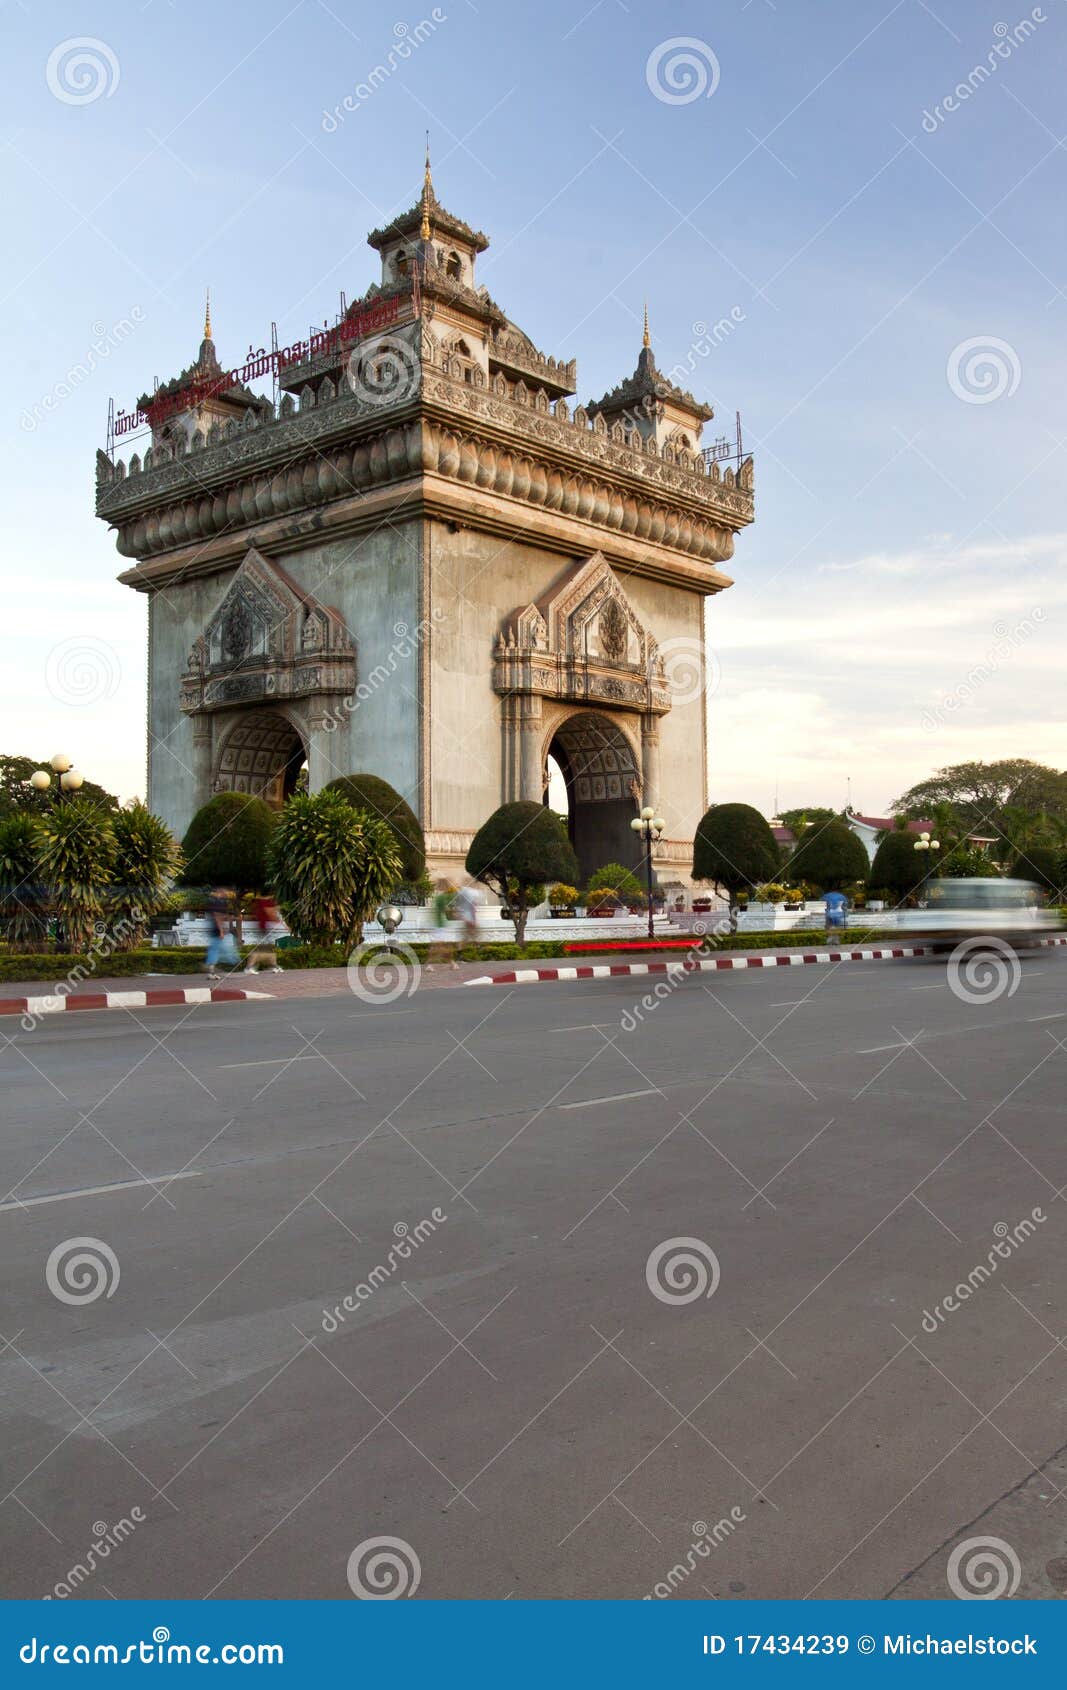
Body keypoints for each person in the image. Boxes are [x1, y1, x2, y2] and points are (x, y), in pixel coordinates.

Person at [243, 893, 284, 974]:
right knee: (262, 950)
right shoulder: (266, 902)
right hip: (263, 928)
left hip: (263, 927)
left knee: (268, 949)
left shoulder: (260, 901)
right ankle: (249, 967)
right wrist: (281, 923)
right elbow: (270, 914)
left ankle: (274, 966)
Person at [203, 887, 237, 976]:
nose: (227, 893)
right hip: (216, 930)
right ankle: (211, 969)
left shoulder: (216, 902)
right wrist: (221, 931)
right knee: (219, 951)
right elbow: (218, 917)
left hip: (215, 929)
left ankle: (211, 970)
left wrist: (229, 919)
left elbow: (221, 916)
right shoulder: (218, 902)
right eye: (225, 891)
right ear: (220, 891)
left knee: (215, 950)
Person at [426, 878, 455, 969]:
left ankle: (451, 963)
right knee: (441, 946)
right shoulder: (441, 897)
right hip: (440, 924)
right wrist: (451, 910)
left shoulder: (438, 896)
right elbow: (445, 910)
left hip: (438, 924)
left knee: (438, 946)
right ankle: (451, 963)